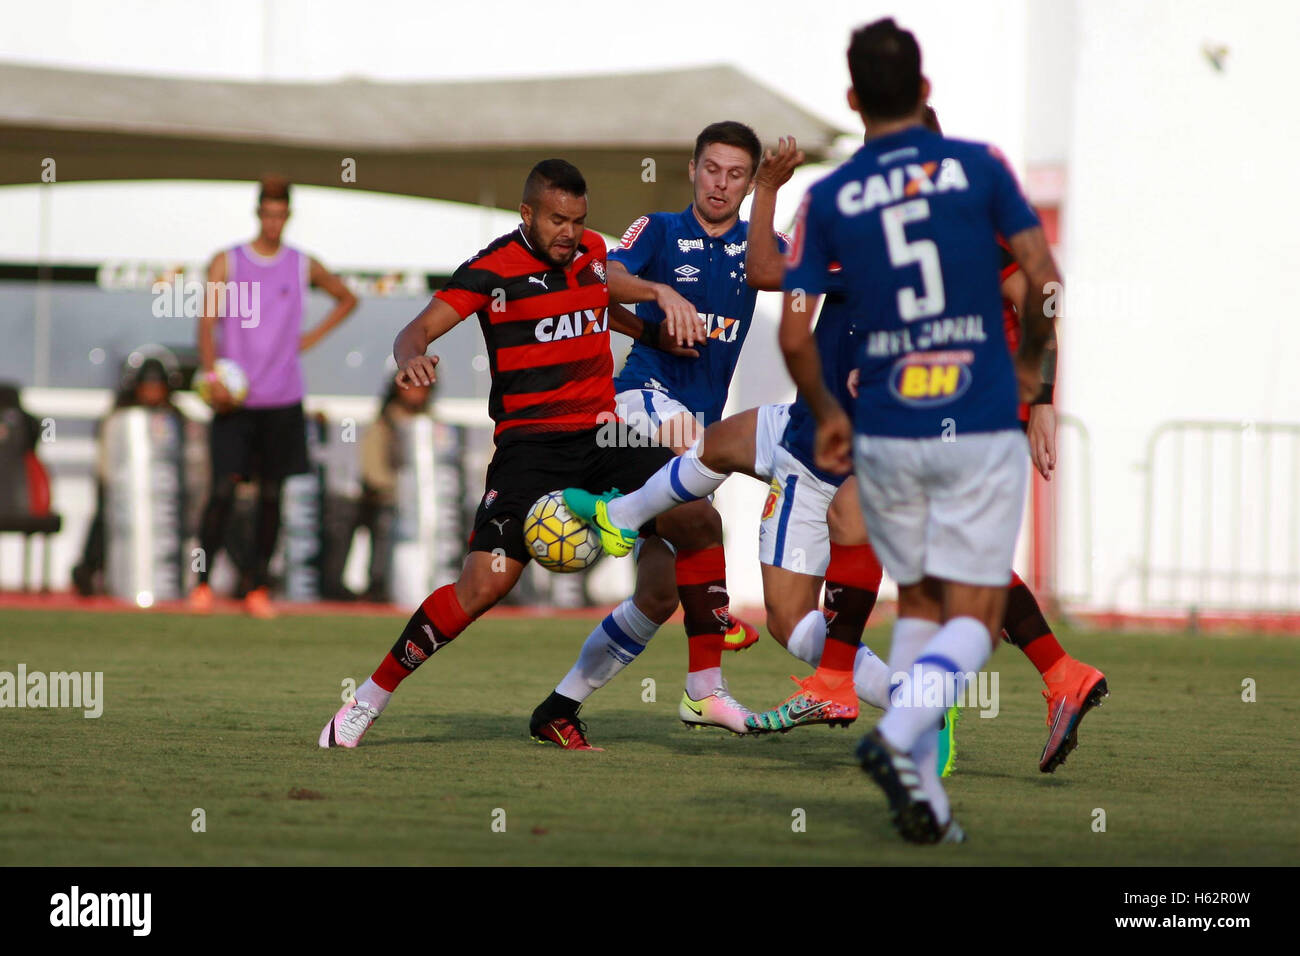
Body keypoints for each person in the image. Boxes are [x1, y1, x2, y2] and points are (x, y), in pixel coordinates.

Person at [319, 159, 735, 752]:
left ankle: (704, 687)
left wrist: (649, 332)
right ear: (527, 214)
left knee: (697, 513)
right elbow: (416, 329)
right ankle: (366, 701)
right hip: (529, 447)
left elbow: (597, 295)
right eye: (557, 220)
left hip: (601, 435)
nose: (569, 233)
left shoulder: (591, 251)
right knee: (483, 586)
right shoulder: (492, 269)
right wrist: (411, 356)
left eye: (578, 220)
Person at [781, 18, 1061, 843]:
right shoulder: (978, 169)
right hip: (974, 417)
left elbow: (793, 336)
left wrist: (830, 415)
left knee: (919, 609)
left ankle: (927, 804)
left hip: (886, 432)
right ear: (927, 91)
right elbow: (1043, 282)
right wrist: (1032, 373)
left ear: (852, 99)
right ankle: (899, 734)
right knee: (972, 616)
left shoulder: (830, 198)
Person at [550, 122, 802, 733]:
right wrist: (660, 292)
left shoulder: (761, 248)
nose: (720, 183)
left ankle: (561, 706)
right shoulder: (658, 229)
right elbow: (600, 279)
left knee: (660, 595)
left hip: (700, 429)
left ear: (752, 183)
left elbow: (816, 281)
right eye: (711, 169)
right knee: (705, 510)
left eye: (736, 174)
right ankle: (609, 508)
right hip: (641, 401)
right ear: (692, 170)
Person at [188, 176, 357, 618]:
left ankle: (256, 587)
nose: (274, 221)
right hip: (235, 400)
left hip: (283, 399)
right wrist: (211, 375)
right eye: (268, 213)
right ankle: (201, 584)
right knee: (223, 490)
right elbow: (206, 324)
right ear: (258, 212)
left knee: (271, 497)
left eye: (281, 214)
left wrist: (309, 338)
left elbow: (347, 298)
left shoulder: (302, 264)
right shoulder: (227, 261)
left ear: (288, 216)